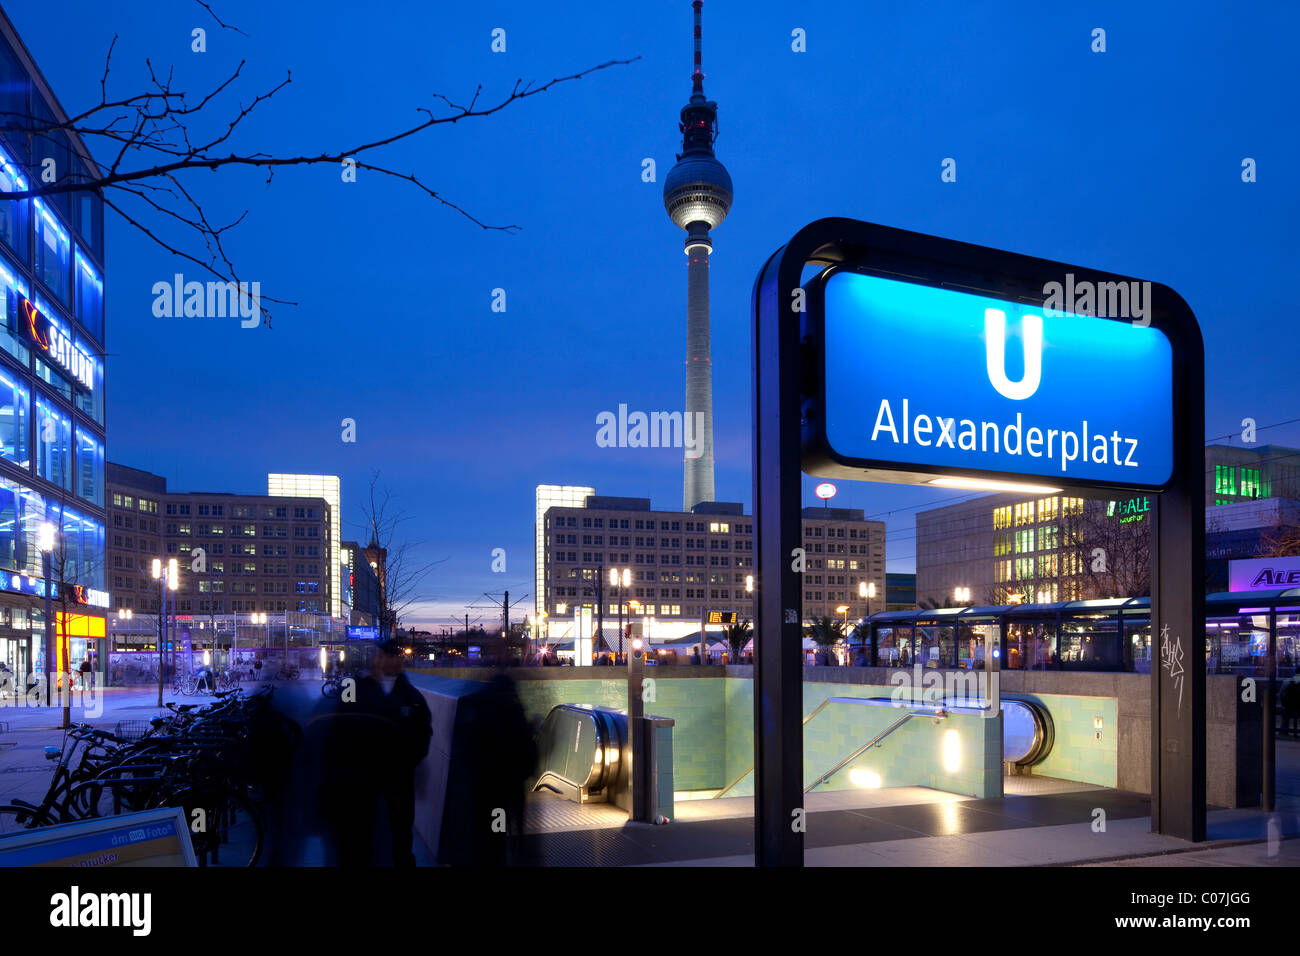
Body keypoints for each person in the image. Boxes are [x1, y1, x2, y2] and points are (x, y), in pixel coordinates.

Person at [346, 640, 433, 866]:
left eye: (397, 657)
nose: (394, 661)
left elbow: (424, 732)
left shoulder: (412, 696)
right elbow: (343, 727)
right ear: (378, 658)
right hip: (365, 778)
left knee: (401, 834)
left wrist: (409, 761)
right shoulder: (359, 689)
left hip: (398, 777)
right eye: (388, 656)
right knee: (364, 834)